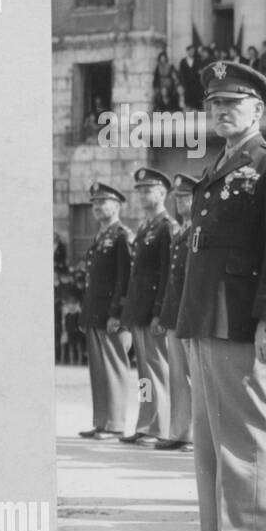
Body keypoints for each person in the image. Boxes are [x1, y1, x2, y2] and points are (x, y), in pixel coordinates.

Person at [175, 61, 266, 531]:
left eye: (233, 103)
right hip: (204, 315)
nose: (222, 111)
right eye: (214, 104)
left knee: (243, 431)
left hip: (241, 318)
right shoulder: (220, 163)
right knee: (207, 434)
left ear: (258, 109)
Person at [119, 168, 178, 446]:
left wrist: (159, 311)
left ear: (163, 193)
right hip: (139, 310)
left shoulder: (167, 227)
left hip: (153, 311)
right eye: (139, 190)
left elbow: (168, 274)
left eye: (148, 190)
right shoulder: (145, 227)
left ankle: (160, 426)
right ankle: (146, 422)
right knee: (144, 375)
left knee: (157, 372)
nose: (143, 195)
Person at [79, 182, 134, 440]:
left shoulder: (122, 235)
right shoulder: (100, 236)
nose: (98, 207)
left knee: (114, 370)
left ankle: (115, 424)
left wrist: (117, 313)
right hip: (95, 314)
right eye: (95, 203)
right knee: (99, 372)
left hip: (112, 316)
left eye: (103, 202)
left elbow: (126, 278)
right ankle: (101, 422)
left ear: (117, 205)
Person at [154, 173, 197, 451]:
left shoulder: (196, 230)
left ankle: (193, 433)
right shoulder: (181, 230)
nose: (180, 202)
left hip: (191, 314)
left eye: (186, 196)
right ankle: (180, 431)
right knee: (178, 377)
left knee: (194, 377)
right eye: (177, 197)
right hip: (175, 314)